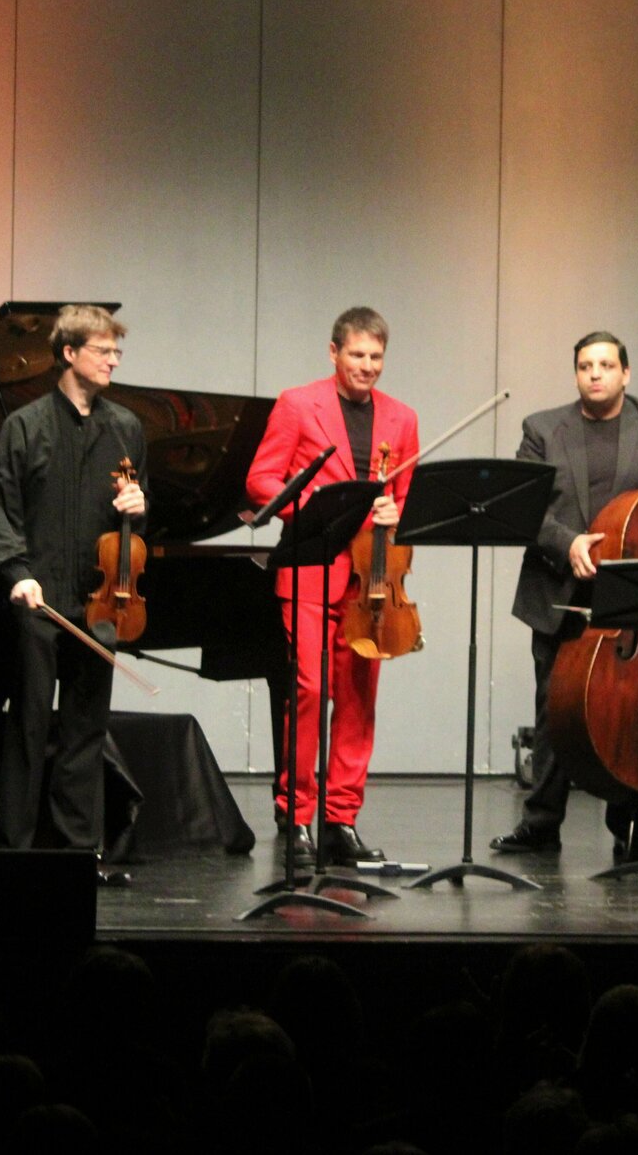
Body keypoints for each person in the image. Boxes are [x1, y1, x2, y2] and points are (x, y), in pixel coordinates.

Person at [491, 331, 638, 864]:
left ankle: (630, 828)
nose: (595, 373)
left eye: (606, 365)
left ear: (626, 373)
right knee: (554, 709)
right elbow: (525, 508)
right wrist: (566, 543)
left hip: (632, 592)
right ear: (576, 374)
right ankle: (541, 824)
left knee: (634, 711)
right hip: (560, 587)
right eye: (586, 365)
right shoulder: (542, 429)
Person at [244, 307, 418, 866]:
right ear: (334, 352)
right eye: (357, 355)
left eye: (376, 356)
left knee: (359, 699)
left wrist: (395, 511)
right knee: (310, 689)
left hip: (373, 576)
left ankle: (340, 819)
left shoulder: (403, 418)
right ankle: (295, 814)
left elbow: (406, 496)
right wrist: (311, 509)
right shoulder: (298, 404)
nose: (367, 366)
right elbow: (260, 479)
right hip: (311, 566)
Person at [0, 305, 147, 887]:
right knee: (28, 727)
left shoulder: (126, 427)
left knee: (86, 730)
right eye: (103, 351)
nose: (113, 361)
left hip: (101, 601)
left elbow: (137, 521)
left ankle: (80, 854)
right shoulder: (24, 425)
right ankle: (14, 852)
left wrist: (139, 507)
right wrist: (16, 572)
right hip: (38, 598)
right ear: (69, 353)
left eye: (116, 352)